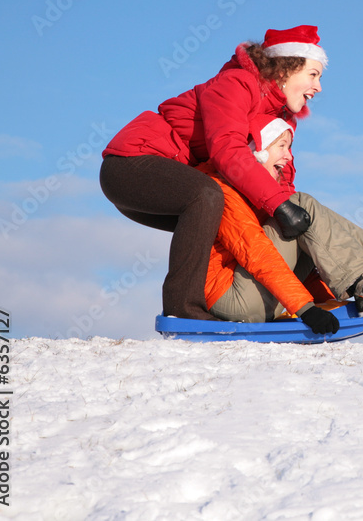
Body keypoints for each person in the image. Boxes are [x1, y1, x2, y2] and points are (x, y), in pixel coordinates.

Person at [100, 25, 328, 321]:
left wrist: (316, 298)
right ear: (285, 70)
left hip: (178, 181)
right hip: (131, 165)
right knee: (207, 195)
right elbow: (227, 151)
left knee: (252, 220)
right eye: (313, 74)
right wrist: (280, 205)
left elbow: (279, 183)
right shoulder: (237, 83)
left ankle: (254, 302)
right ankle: (183, 309)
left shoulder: (277, 119)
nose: (319, 86)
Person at [200, 115, 363, 333]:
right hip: (233, 300)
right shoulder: (225, 189)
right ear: (257, 150)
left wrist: (329, 303)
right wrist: (306, 309)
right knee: (298, 204)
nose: (288, 157)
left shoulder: (255, 194)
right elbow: (258, 254)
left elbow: (307, 255)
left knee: (300, 214)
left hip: (253, 295)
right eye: (281, 146)